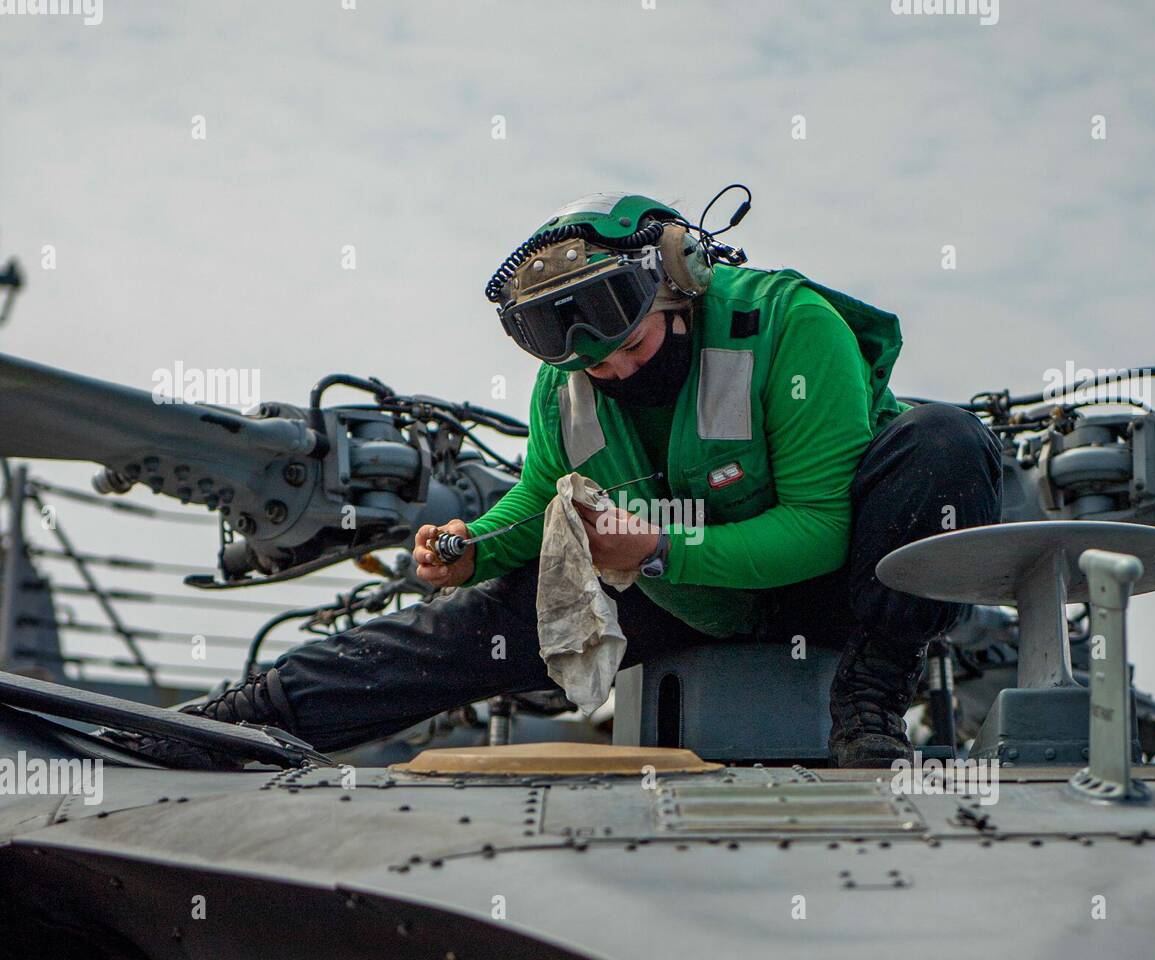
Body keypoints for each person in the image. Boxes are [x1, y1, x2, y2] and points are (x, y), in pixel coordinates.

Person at [103, 191, 1001, 769]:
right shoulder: (566, 383)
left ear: (679, 284)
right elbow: (540, 501)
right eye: (590, 368)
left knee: (944, 440)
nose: (612, 376)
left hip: (831, 590)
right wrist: (469, 546)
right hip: (684, 592)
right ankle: (248, 721)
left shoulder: (788, 328)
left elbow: (820, 525)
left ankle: (873, 706)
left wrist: (657, 546)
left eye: (635, 349)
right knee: (471, 629)